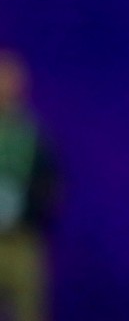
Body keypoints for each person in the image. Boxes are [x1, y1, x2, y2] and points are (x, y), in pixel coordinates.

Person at [0, 49, 56, 321]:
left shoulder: (31, 130)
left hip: (22, 238)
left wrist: (34, 213)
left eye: (12, 79)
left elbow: (49, 180)